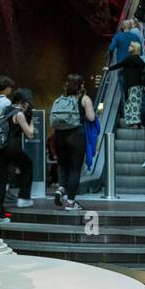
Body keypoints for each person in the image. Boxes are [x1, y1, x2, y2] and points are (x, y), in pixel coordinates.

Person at [50, 74, 95, 210]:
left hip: (59, 136)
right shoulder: (84, 99)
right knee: (75, 169)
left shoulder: (60, 99)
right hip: (76, 135)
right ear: (81, 86)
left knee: (63, 166)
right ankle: (70, 203)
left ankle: (61, 189)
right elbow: (91, 118)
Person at [0, 88, 35, 219]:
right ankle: (24, 198)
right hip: (12, 147)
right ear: (24, 102)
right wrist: (31, 120)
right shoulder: (19, 114)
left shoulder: (5, 110)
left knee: (0, 180)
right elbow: (30, 134)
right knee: (27, 166)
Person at [107, 41, 145, 127]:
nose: (128, 47)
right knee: (136, 103)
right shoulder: (140, 60)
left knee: (131, 103)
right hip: (139, 85)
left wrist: (109, 68)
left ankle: (134, 122)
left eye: (130, 46)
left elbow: (119, 64)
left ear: (134, 49)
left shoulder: (129, 58)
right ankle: (138, 121)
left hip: (130, 85)